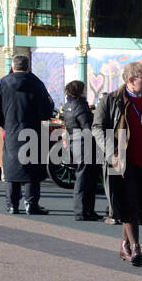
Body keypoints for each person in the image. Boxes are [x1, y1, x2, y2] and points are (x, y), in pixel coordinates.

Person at [93, 61, 142, 266]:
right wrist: (112, 152)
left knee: (137, 205)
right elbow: (97, 128)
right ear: (131, 80)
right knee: (129, 203)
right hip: (122, 162)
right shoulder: (111, 100)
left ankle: (124, 245)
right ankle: (136, 247)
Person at [0, 54, 55, 215]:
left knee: (11, 168)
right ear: (28, 67)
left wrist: (7, 124)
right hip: (32, 129)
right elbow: (46, 110)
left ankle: (12, 204)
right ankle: (31, 204)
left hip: (11, 130)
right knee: (32, 168)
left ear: (13, 67)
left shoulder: (3, 83)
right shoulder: (37, 83)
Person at [62, 80, 102, 220]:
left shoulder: (68, 106)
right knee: (85, 179)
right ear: (81, 91)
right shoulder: (80, 107)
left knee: (85, 178)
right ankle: (82, 211)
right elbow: (88, 127)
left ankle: (87, 210)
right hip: (85, 145)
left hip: (75, 143)